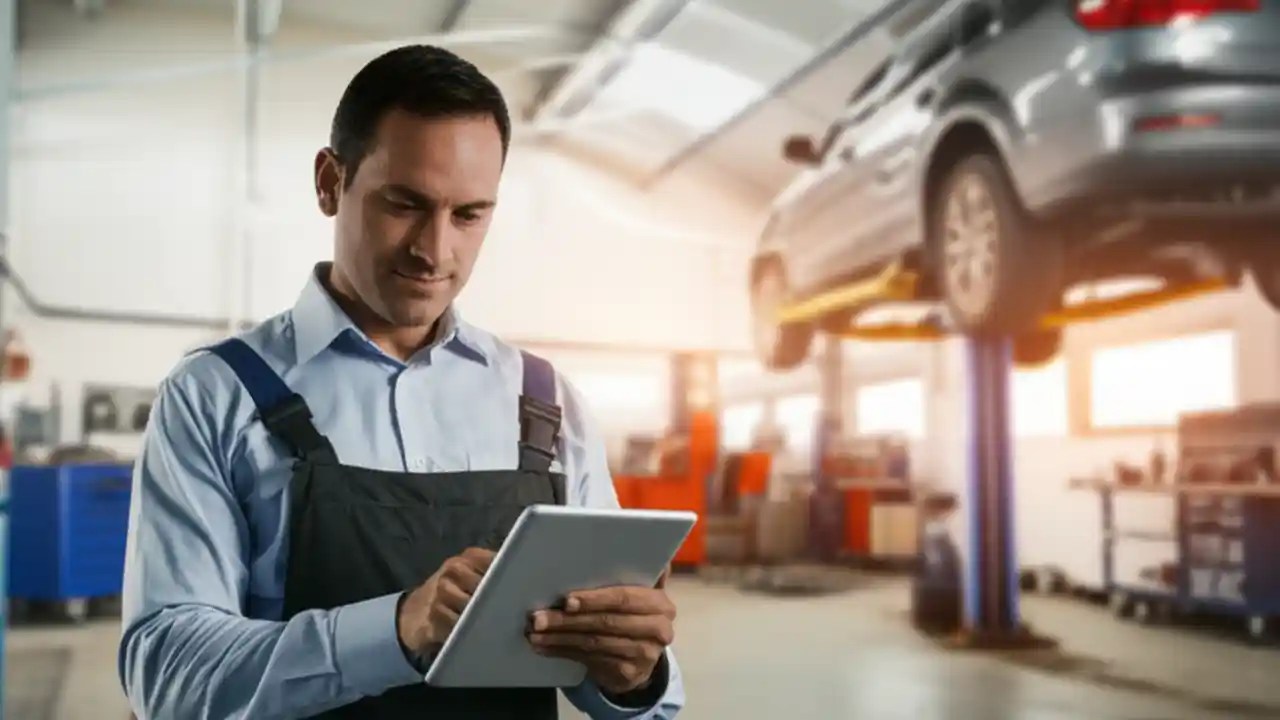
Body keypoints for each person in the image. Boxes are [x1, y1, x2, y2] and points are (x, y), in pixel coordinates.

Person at [118, 45, 684, 719]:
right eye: (405, 203)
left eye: (469, 215)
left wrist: (634, 679)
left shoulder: (546, 403)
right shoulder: (216, 397)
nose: (434, 250)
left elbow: (625, 683)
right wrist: (395, 630)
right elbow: (167, 673)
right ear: (330, 182)